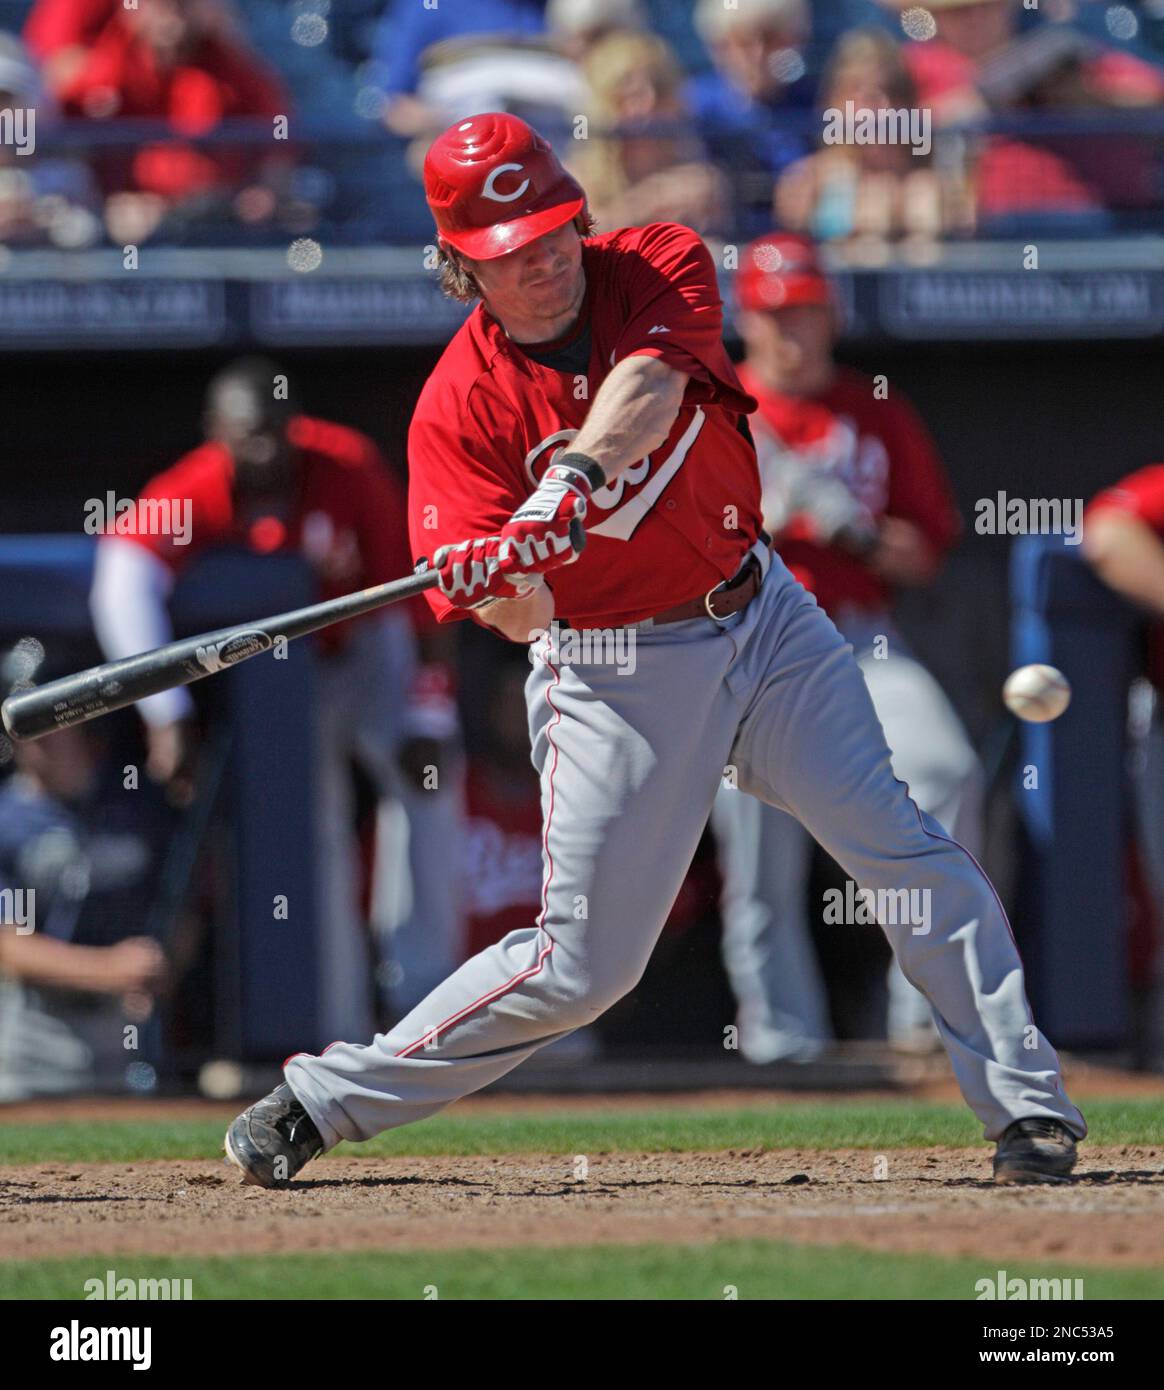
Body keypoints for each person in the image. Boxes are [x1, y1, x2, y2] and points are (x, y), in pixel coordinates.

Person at [224, 111, 1085, 1189]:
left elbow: (652, 385)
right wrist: (502, 573)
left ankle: (1027, 1108)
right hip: (613, 672)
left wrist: (565, 484)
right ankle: (324, 1097)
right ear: (459, 267)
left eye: (552, 232)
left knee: (904, 852)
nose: (542, 262)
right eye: (508, 252)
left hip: (765, 618)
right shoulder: (455, 413)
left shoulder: (655, 263)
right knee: (583, 968)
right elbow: (522, 622)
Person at [89, 359, 463, 1041]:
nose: (263, 448)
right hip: (291, 681)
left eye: (274, 431)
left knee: (432, 786)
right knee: (313, 838)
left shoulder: (344, 463)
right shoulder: (199, 485)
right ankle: (340, 1031)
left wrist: (427, 711)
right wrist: (166, 716)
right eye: (246, 435)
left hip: (370, 650)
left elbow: (417, 589)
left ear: (296, 425)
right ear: (216, 432)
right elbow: (122, 575)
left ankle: (429, 1007)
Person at [712, 232, 982, 1061]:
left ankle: (925, 1016)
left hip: (857, 636)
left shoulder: (873, 410)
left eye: (805, 311)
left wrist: (851, 529)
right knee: (760, 848)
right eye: (774, 314)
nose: (791, 329)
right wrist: (762, 524)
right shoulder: (710, 408)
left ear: (831, 316)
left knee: (945, 772)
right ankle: (780, 1041)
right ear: (746, 321)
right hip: (743, 639)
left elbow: (924, 552)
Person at [0, 640, 168, 1101]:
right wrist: (110, 968)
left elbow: (178, 906)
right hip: (36, 1036)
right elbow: (9, 945)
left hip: (124, 1028)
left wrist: (162, 961)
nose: (40, 737)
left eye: (51, 719)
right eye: (27, 722)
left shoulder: (133, 805)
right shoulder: (8, 823)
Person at [567, 30, 731, 239]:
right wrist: (649, 203)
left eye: (660, 92)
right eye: (631, 96)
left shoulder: (698, 171)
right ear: (604, 105)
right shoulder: (576, 178)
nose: (649, 105)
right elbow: (579, 239)